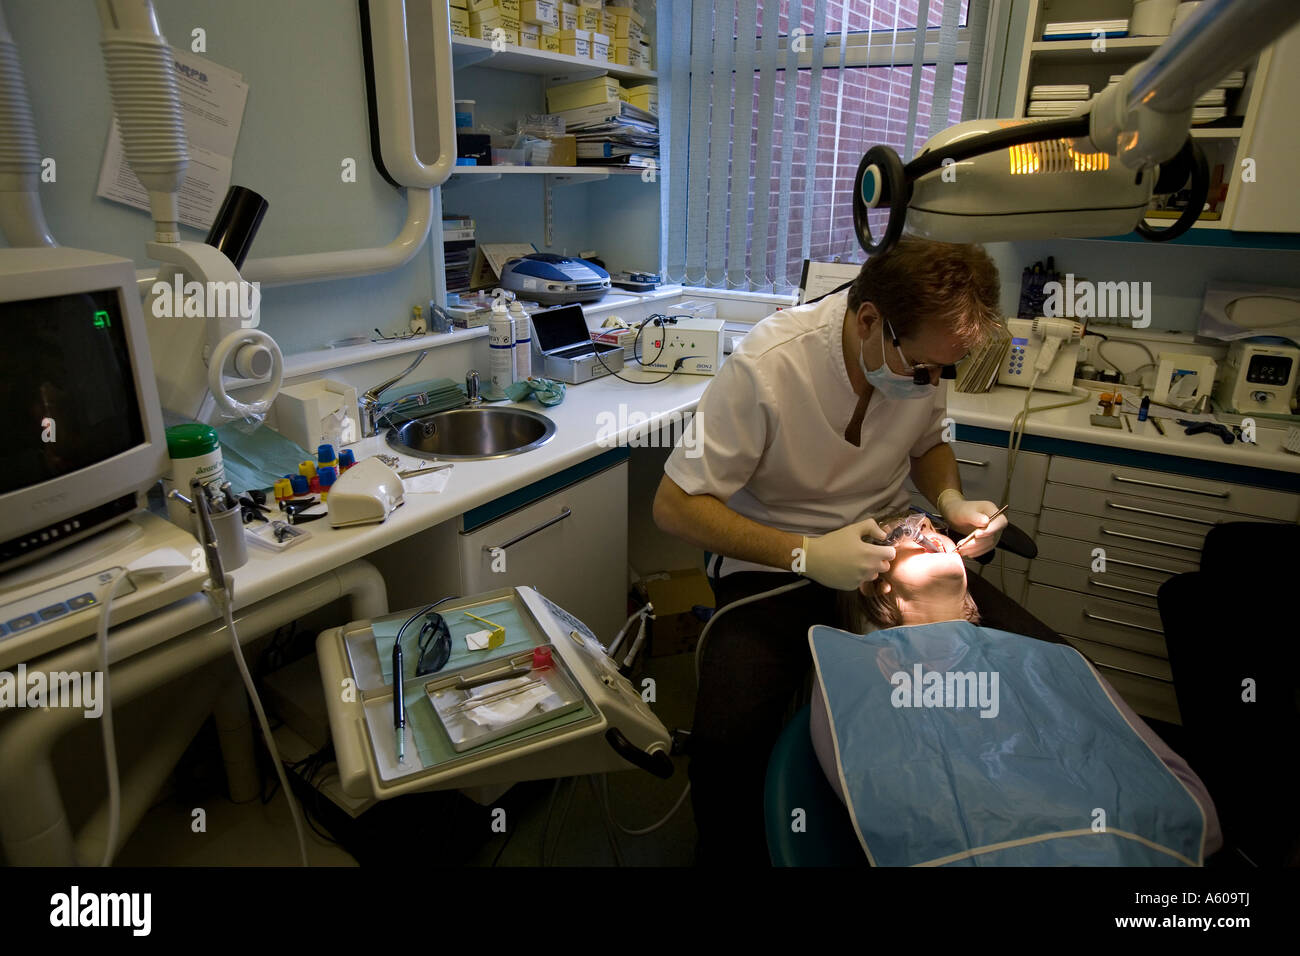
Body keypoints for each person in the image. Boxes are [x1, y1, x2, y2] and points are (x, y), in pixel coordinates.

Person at [653, 238, 1009, 865]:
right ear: (869, 320)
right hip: (773, 562)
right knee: (730, 740)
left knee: (986, 690)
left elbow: (927, 445)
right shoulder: (767, 365)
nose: (930, 382)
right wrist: (807, 556)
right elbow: (675, 506)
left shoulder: (919, 357)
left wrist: (951, 502)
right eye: (922, 368)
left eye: (941, 372)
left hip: (887, 538)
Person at [809, 510, 1224, 860]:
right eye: (913, 535)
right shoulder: (854, 672)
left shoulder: (1049, 661)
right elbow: (902, 817)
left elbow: (1191, 810)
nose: (933, 536)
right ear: (876, 579)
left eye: (938, 530)